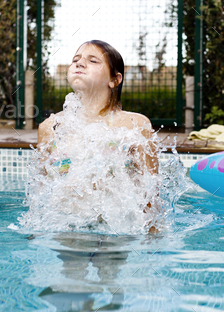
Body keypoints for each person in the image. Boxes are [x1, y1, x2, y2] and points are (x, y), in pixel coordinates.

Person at [36, 40, 161, 232]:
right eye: (75, 59)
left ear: (115, 80)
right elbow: (40, 192)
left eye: (93, 61)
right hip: (67, 227)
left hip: (117, 229)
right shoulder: (50, 127)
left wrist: (153, 238)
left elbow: (150, 194)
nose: (79, 63)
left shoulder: (134, 125)